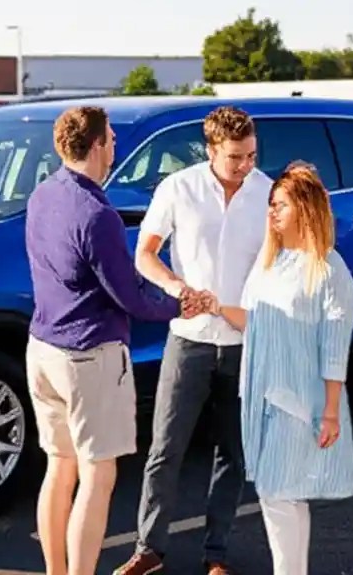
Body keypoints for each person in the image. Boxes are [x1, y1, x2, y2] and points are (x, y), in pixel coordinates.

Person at [26, 105, 213, 575]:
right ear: (95, 147)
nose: (115, 146)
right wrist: (179, 305)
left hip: (42, 349)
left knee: (58, 467)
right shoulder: (98, 214)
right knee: (97, 474)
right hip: (88, 357)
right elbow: (128, 294)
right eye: (110, 138)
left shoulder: (42, 194)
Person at [116, 105, 272, 575]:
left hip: (246, 342)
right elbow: (145, 254)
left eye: (251, 155)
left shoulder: (267, 193)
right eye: (235, 158)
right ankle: (149, 549)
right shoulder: (178, 188)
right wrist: (175, 288)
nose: (245, 165)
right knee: (165, 447)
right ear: (211, 151)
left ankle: (217, 554)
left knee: (233, 453)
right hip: (188, 340)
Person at [217, 162, 353, 575]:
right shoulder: (271, 264)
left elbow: (335, 345)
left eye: (280, 204)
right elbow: (251, 320)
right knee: (280, 494)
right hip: (262, 393)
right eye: (270, 204)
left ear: (304, 207)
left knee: (279, 492)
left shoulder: (329, 269)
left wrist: (331, 410)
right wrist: (211, 304)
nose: (271, 212)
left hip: (300, 400)